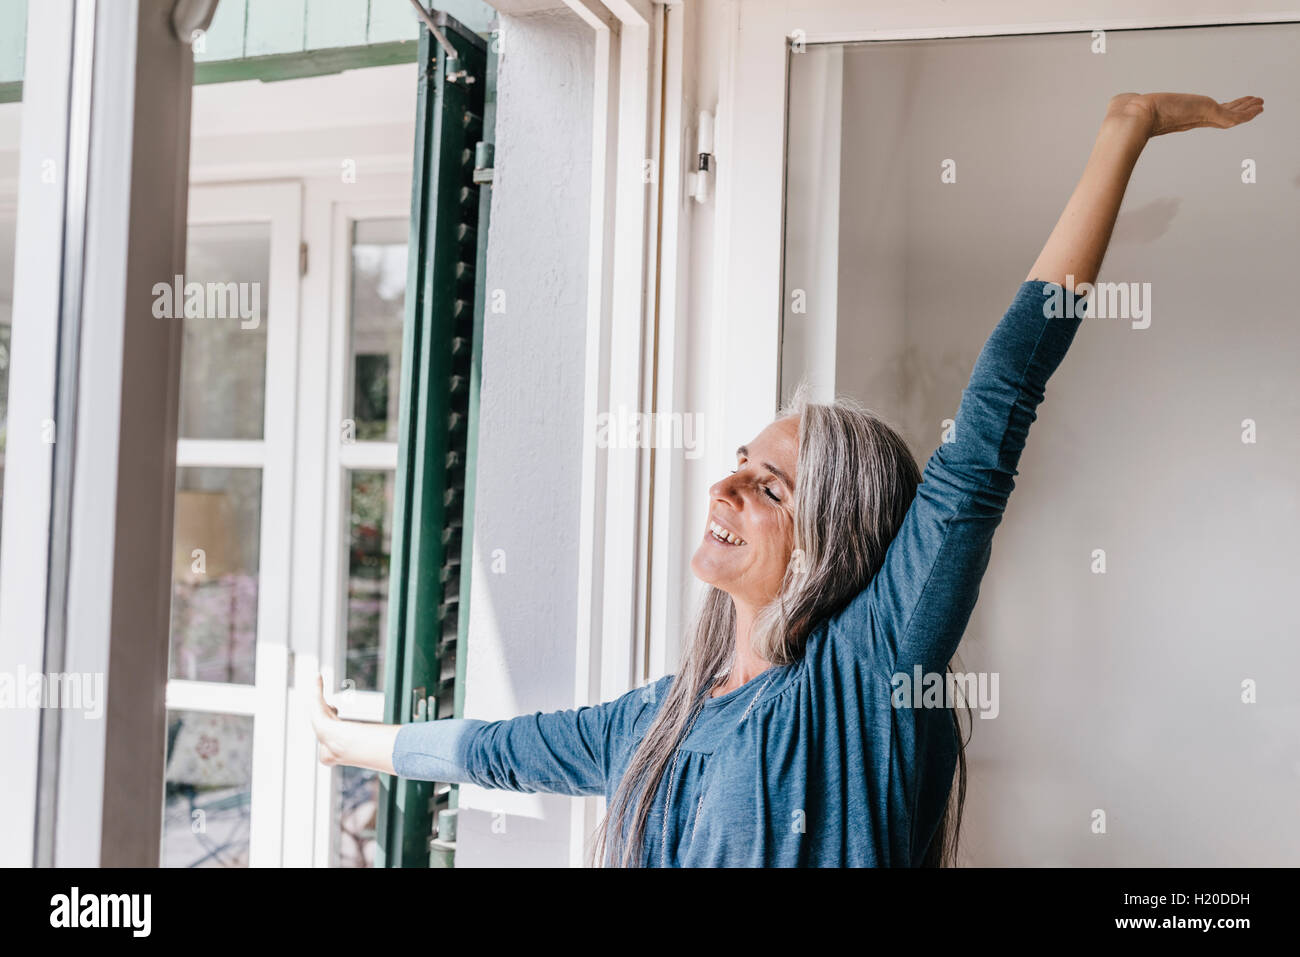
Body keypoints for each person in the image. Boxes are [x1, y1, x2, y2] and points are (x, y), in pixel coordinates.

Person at [310, 92, 1263, 867]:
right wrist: (353, 742)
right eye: (739, 467)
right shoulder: (660, 717)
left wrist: (1122, 134)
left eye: (771, 489)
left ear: (831, 542)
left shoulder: (866, 673)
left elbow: (993, 418)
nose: (727, 492)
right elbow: (499, 752)